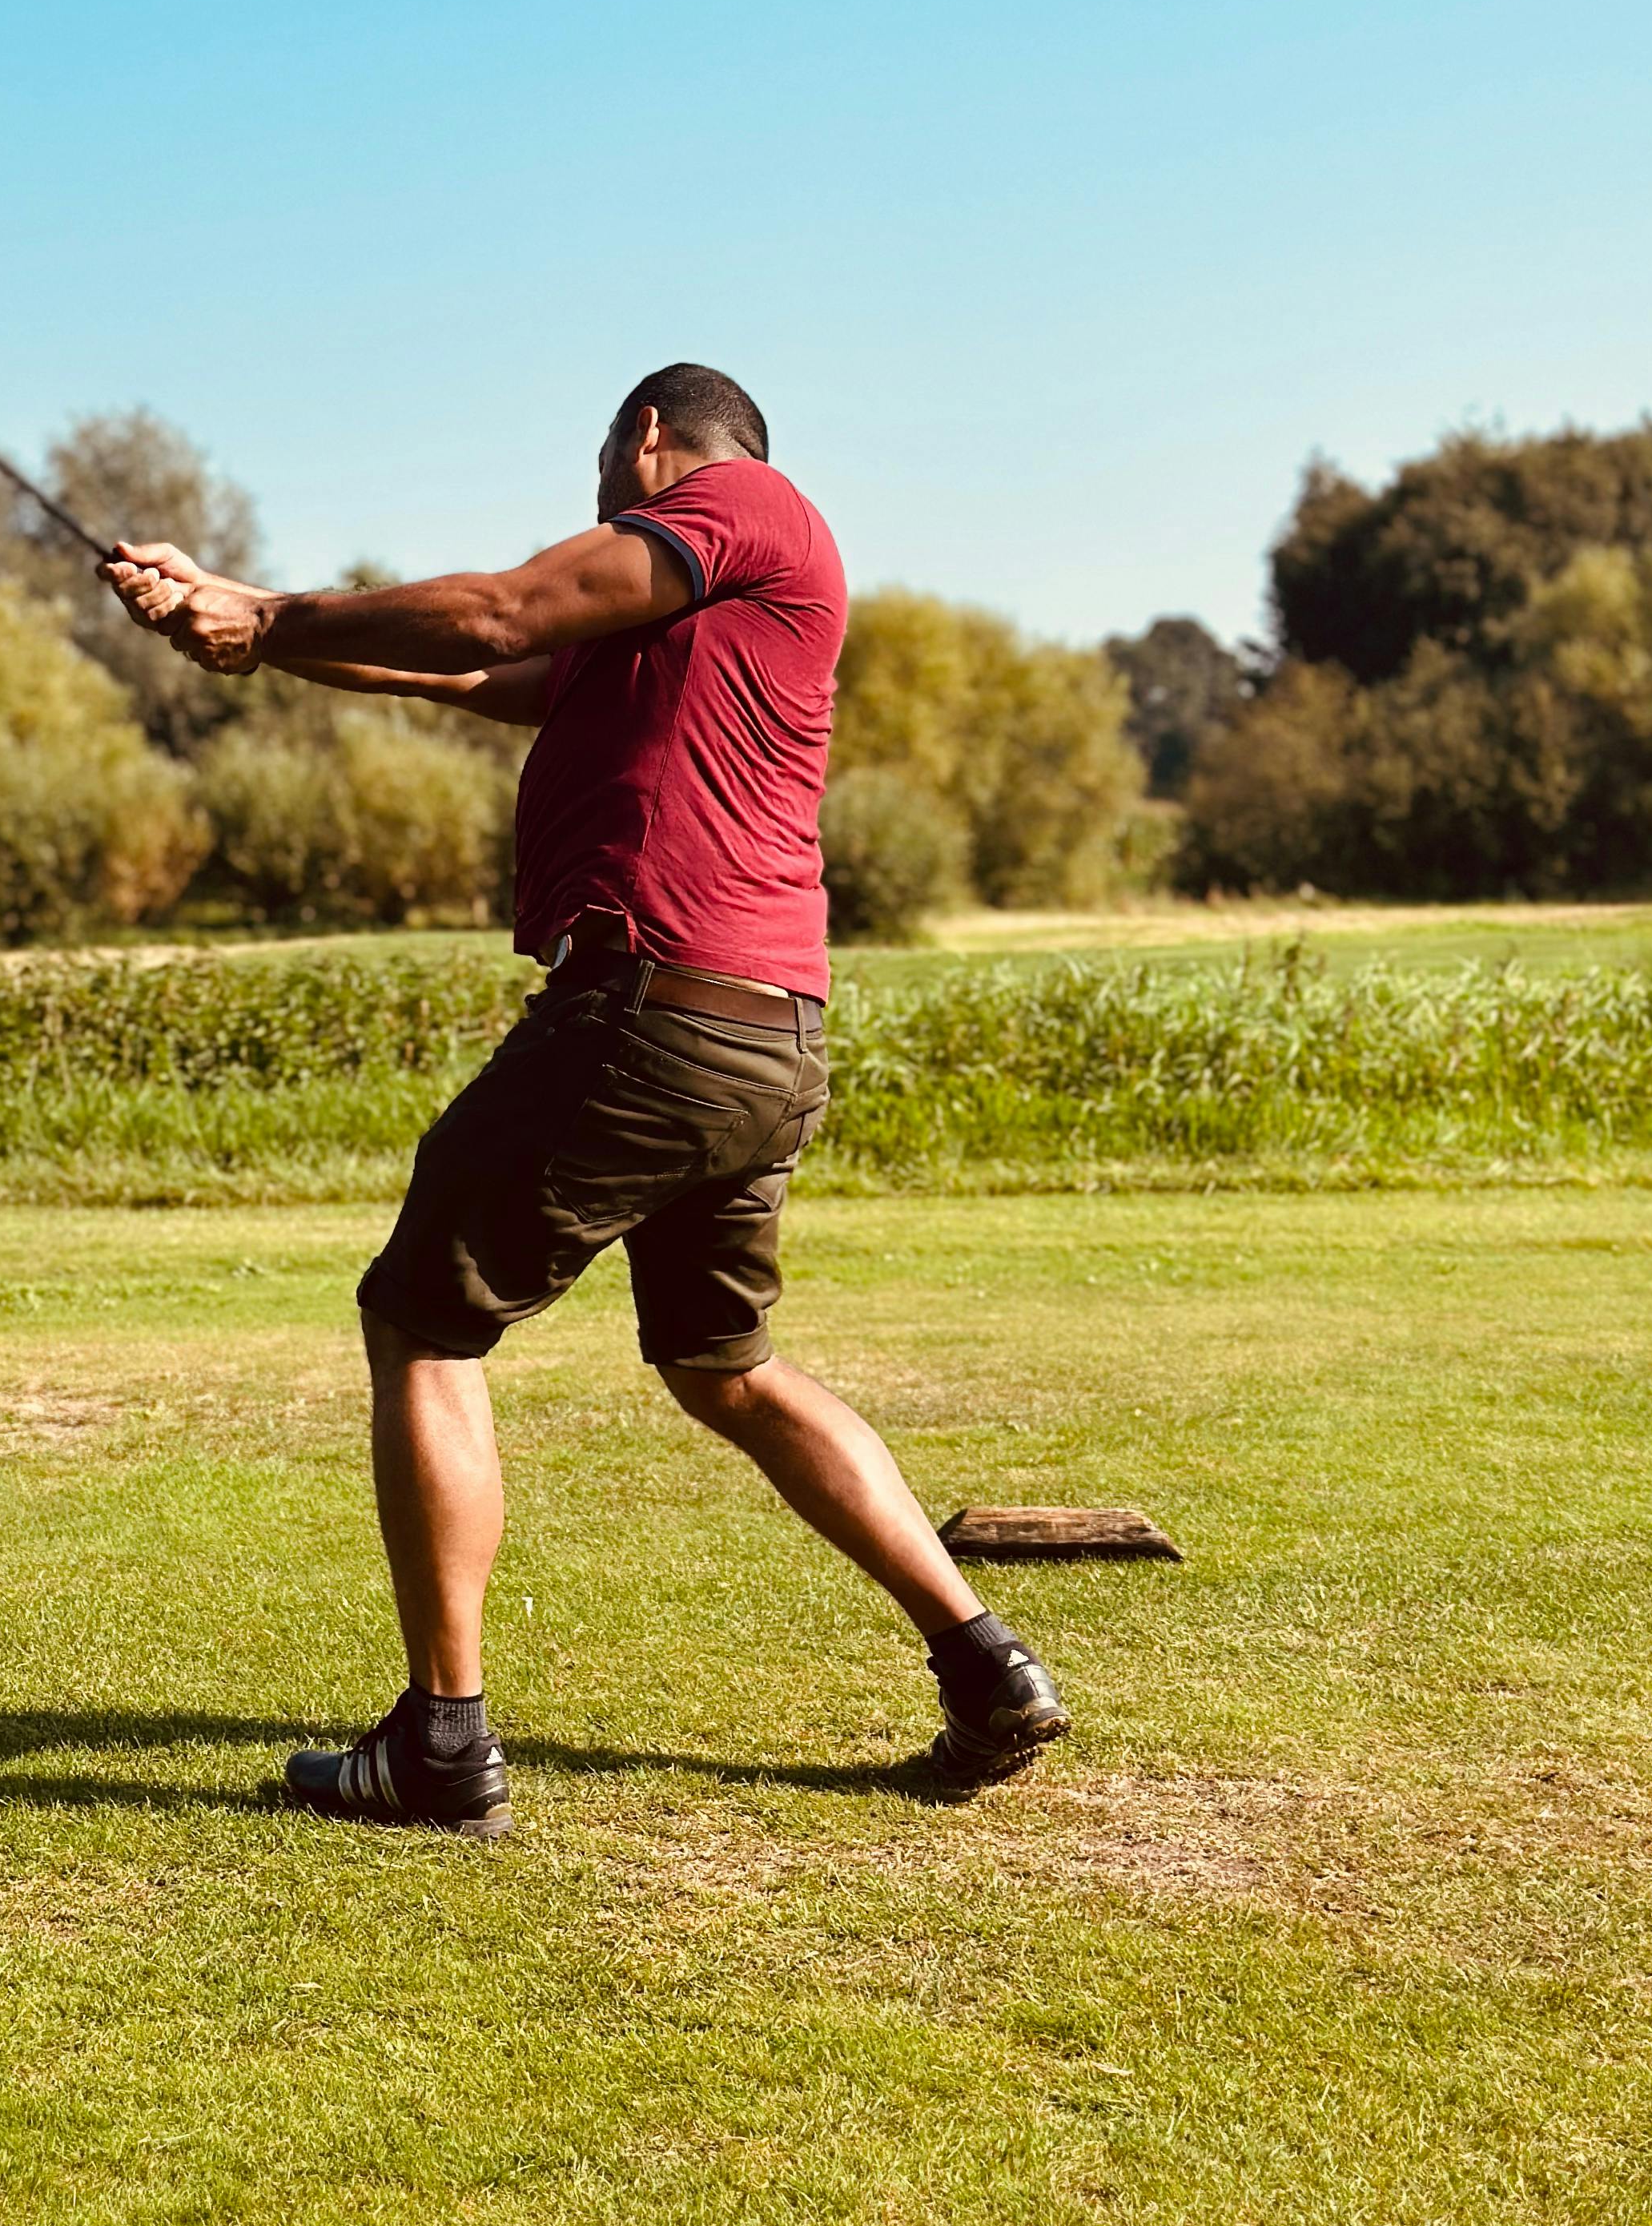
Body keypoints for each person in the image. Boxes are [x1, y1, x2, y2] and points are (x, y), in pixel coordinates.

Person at [103, 364, 1068, 1840]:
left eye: (605, 470)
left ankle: (442, 1745)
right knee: (722, 1365)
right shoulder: (681, 627)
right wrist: (244, 615)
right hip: (764, 1031)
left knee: (422, 1317)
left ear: (647, 440)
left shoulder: (741, 509)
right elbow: (474, 671)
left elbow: (503, 610)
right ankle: (987, 1667)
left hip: (653, 1009)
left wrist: (279, 618)